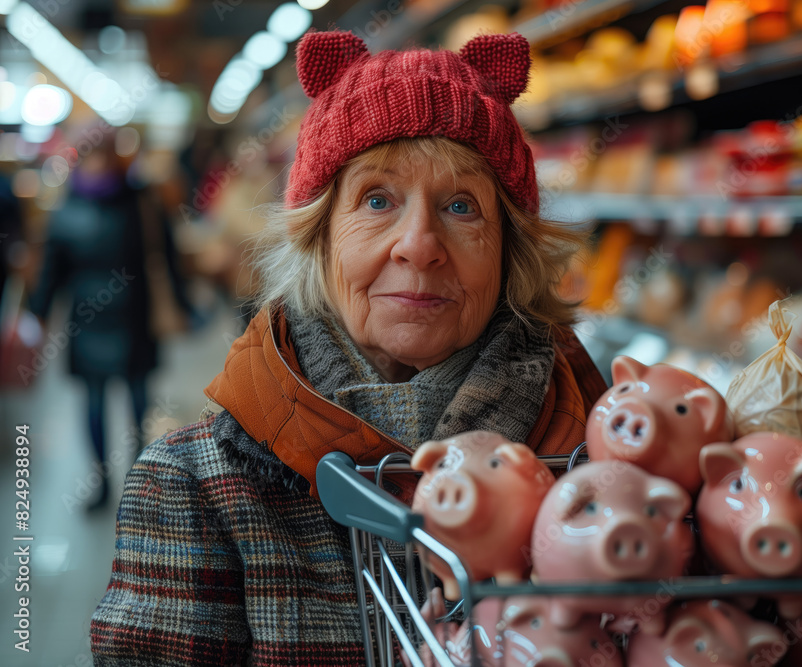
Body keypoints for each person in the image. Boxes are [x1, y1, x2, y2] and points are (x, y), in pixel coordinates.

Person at [90, 30, 607, 665]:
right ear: (319, 237)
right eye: (377, 199)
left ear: (509, 251)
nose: (419, 244)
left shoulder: (605, 464)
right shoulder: (195, 488)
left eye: (461, 206)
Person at [29, 129, 193, 510]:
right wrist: (38, 315)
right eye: (91, 155)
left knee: (138, 401)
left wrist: (182, 302)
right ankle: (101, 481)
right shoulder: (66, 209)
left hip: (135, 318)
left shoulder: (141, 200)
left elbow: (167, 255)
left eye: (104, 154)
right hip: (89, 323)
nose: (98, 162)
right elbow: (52, 271)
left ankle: (139, 476)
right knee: (95, 402)